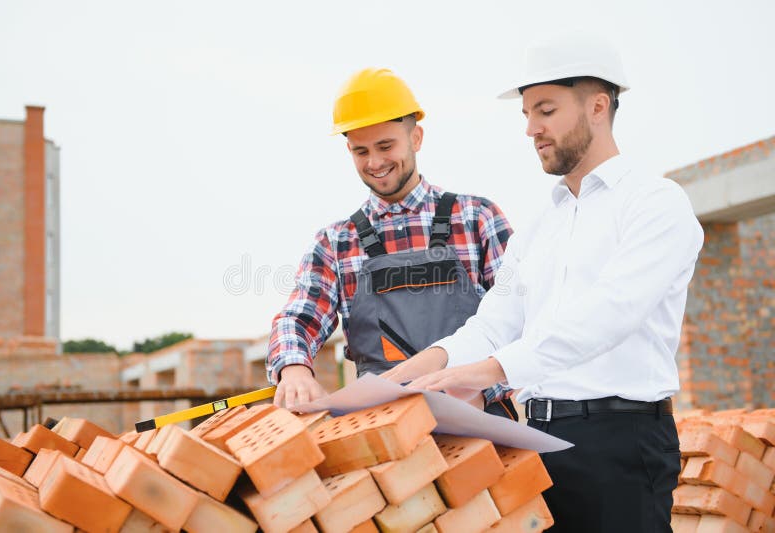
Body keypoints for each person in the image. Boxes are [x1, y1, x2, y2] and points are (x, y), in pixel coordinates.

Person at [382, 34, 704, 532]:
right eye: (527, 114)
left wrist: (487, 371)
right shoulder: (539, 226)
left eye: (546, 110)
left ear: (598, 106)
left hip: (621, 444)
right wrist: (416, 371)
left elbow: (609, 314)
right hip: (537, 441)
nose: (531, 128)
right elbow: (493, 324)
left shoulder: (655, 203)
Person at [267, 67, 515, 417]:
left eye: (386, 146)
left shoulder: (477, 218)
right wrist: (294, 368)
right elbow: (299, 317)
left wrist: (480, 385)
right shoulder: (336, 243)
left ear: (416, 138)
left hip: (481, 420)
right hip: (383, 425)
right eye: (360, 151)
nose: (375, 162)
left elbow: (520, 316)